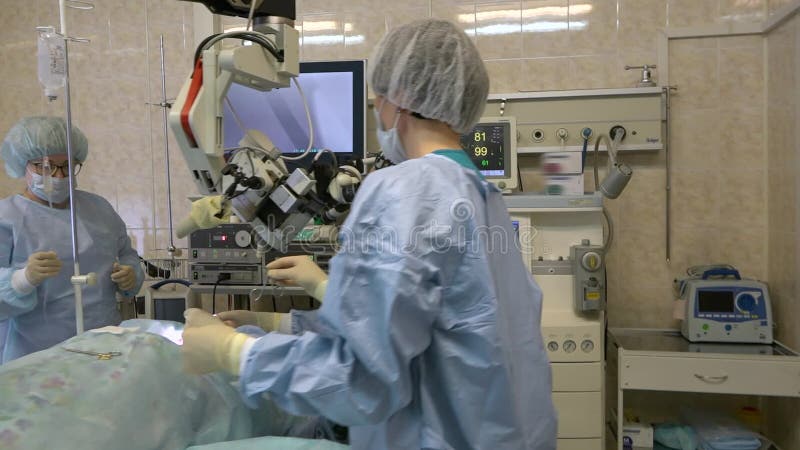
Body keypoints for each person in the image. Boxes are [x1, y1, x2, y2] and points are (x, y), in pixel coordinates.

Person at [182, 19, 557, 450]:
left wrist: (235, 354)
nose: (377, 108)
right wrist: (278, 323)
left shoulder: (407, 190)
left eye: (378, 99)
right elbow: (418, 330)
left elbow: (363, 383)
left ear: (398, 101)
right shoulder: (482, 195)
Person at [0, 116, 144, 363]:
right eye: (45, 166)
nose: (58, 175)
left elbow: (126, 253)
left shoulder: (99, 209)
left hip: (102, 348)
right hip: (36, 355)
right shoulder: (7, 217)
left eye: (68, 165)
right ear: (23, 164)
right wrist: (22, 279)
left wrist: (131, 274)